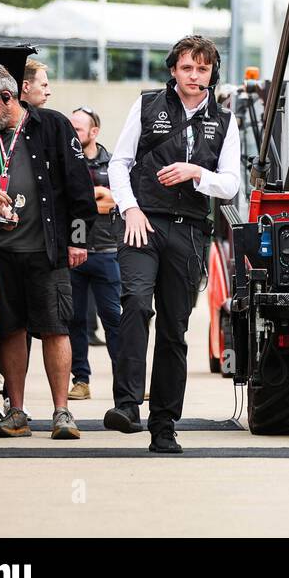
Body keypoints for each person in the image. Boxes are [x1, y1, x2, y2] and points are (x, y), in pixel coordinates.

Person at [106, 35, 241, 453]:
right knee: (135, 302)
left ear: (212, 73)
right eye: (187, 68)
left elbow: (231, 183)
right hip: (142, 223)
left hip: (190, 230)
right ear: (173, 70)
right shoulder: (146, 105)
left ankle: (164, 424)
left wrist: (195, 172)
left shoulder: (225, 120)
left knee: (174, 330)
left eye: (202, 69)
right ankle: (127, 405)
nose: (194, 76)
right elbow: (119, 163)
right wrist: (129, 208)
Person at [0, 64, 96, 440]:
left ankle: (62, 412)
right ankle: (17, 412)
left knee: (54, 328)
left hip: (46, 249)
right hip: (0, 250)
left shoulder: (52, 126)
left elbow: (80, 185)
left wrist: (78, 239)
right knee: (11, 328)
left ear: (9, 98)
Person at [66, 107, 123, 401]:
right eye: (70, 128)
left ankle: (125, 379)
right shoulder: (66, 162)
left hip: (107, 251)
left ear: (94, 132)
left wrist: (107, 199)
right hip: (74, 253)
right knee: (75, 320)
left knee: (114, 318)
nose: (73, 134)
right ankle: (81, 380)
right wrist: (96, 199)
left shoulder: (113, 164)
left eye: (77, 129)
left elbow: (120, 201)